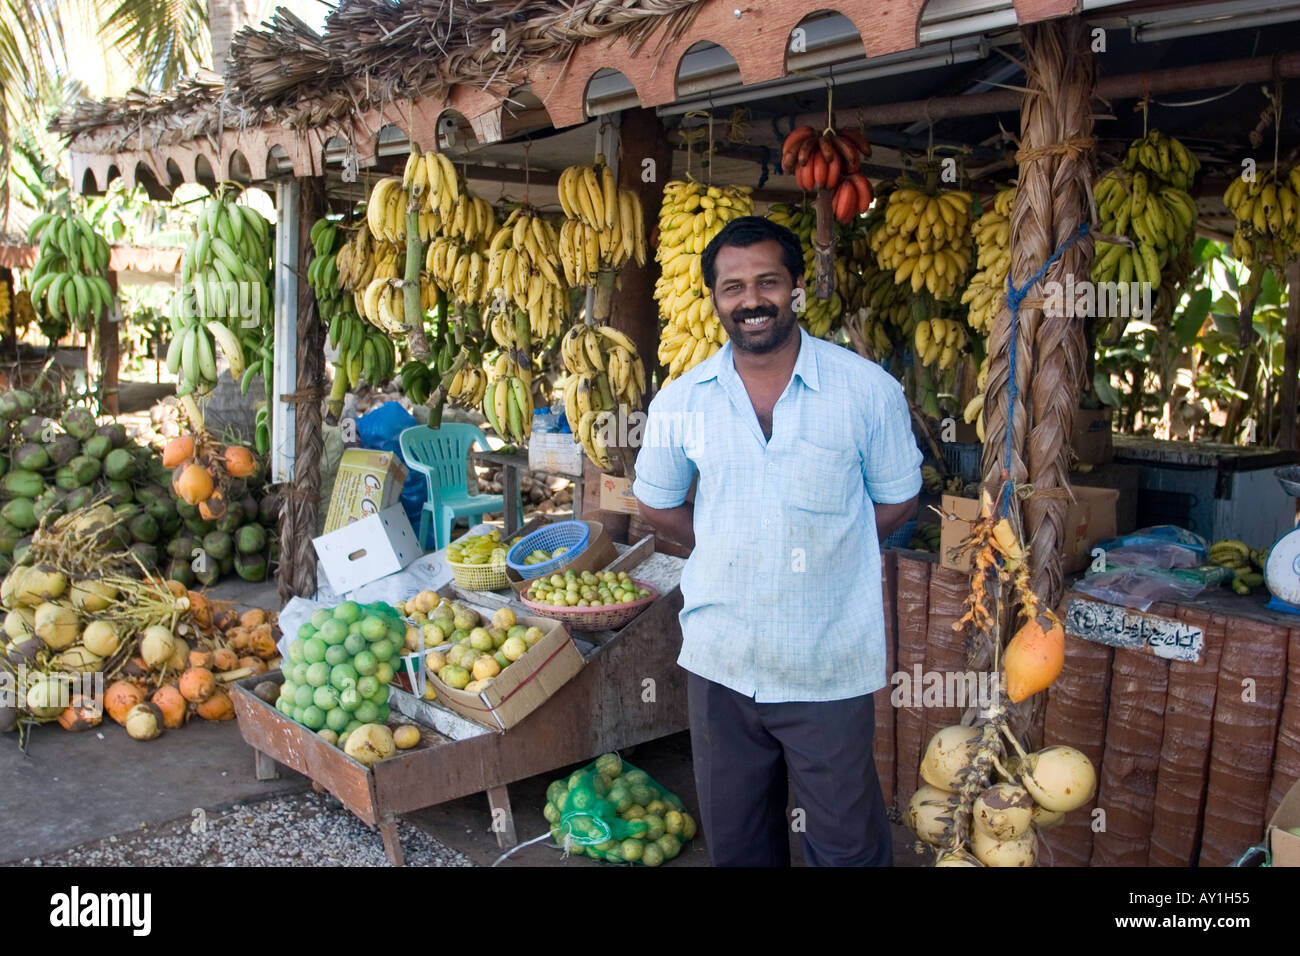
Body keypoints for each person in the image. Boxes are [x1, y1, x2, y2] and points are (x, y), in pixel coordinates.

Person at [632, 216, 922, 866]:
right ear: (714, 298)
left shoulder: (865, 390)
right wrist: (729, 541)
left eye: (767, 280)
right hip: (722, 664)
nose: (751, 299)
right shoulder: (683, 402)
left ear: (795, 289)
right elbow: (657, 504)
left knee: (846, 849)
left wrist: (829, 547)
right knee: (739, 848)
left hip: (827, 665)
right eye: (732, 286)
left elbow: (899, 496)